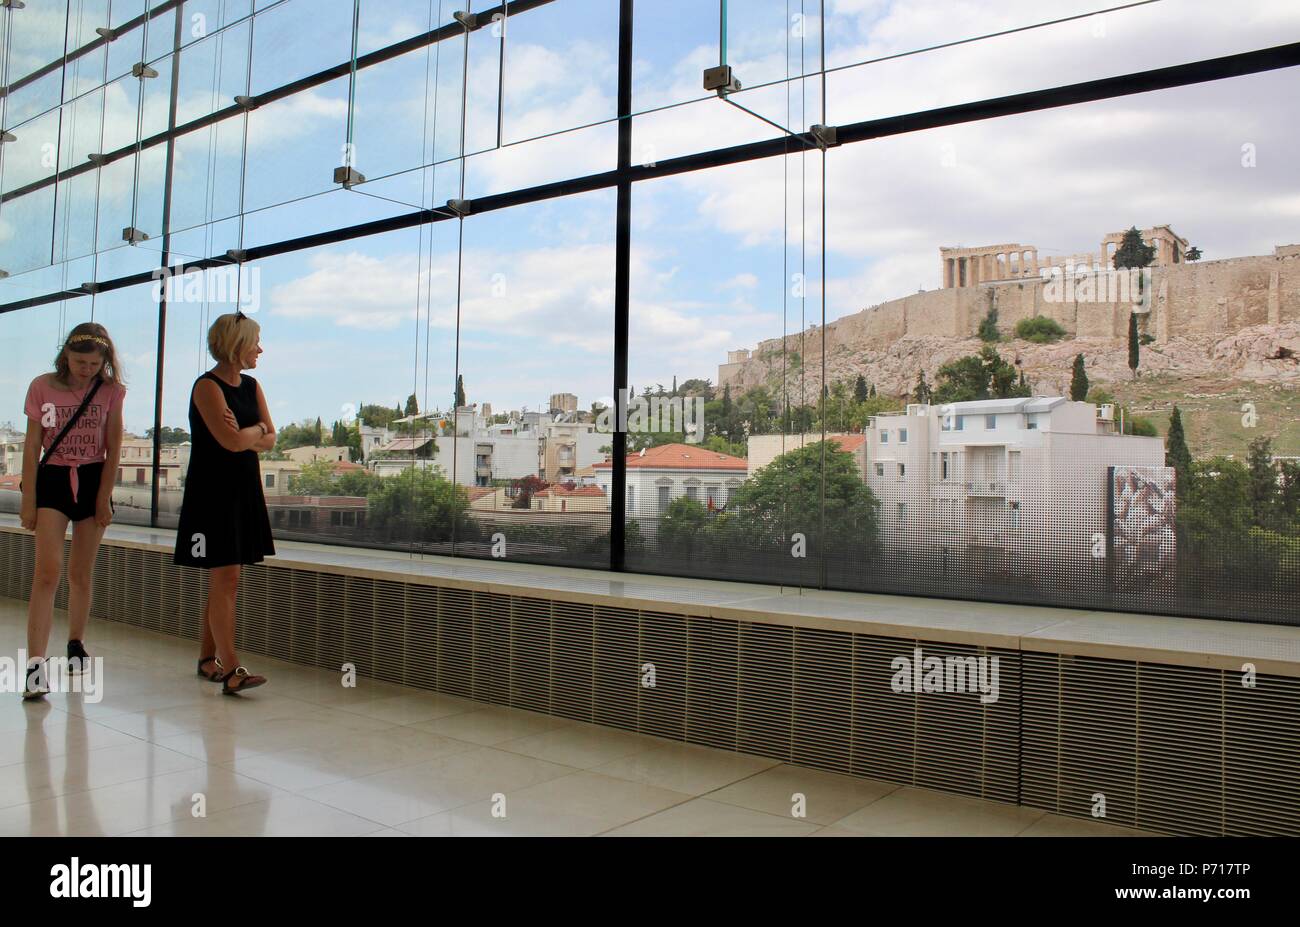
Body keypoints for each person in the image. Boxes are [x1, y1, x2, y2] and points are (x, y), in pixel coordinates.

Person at [19, 323, 126, 700]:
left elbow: (114, 447)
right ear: (65, 355)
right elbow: (32, 445)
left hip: (94, 477)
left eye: (94, 364)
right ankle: (35, 664)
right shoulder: (42, 386)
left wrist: (104, 497)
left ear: (104, 362)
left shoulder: (111, 392)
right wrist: (28, 498)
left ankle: (76, 643)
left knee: (81, 572)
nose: (87, 369)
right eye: (80, 361)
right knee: (47, 572)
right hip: (53, 478)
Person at [173, 311, 275, 695]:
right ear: (236, 346)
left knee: (224, 580)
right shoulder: (206, 387)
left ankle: (206, 659)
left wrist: (252, 431)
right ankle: (232, 668)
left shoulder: (251, 386)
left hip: (242, 489)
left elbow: (271, 438)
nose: (260, 349)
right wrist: (256, 430)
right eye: (255, 342)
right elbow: (231, 442)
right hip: (213, 493)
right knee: (226, 578)